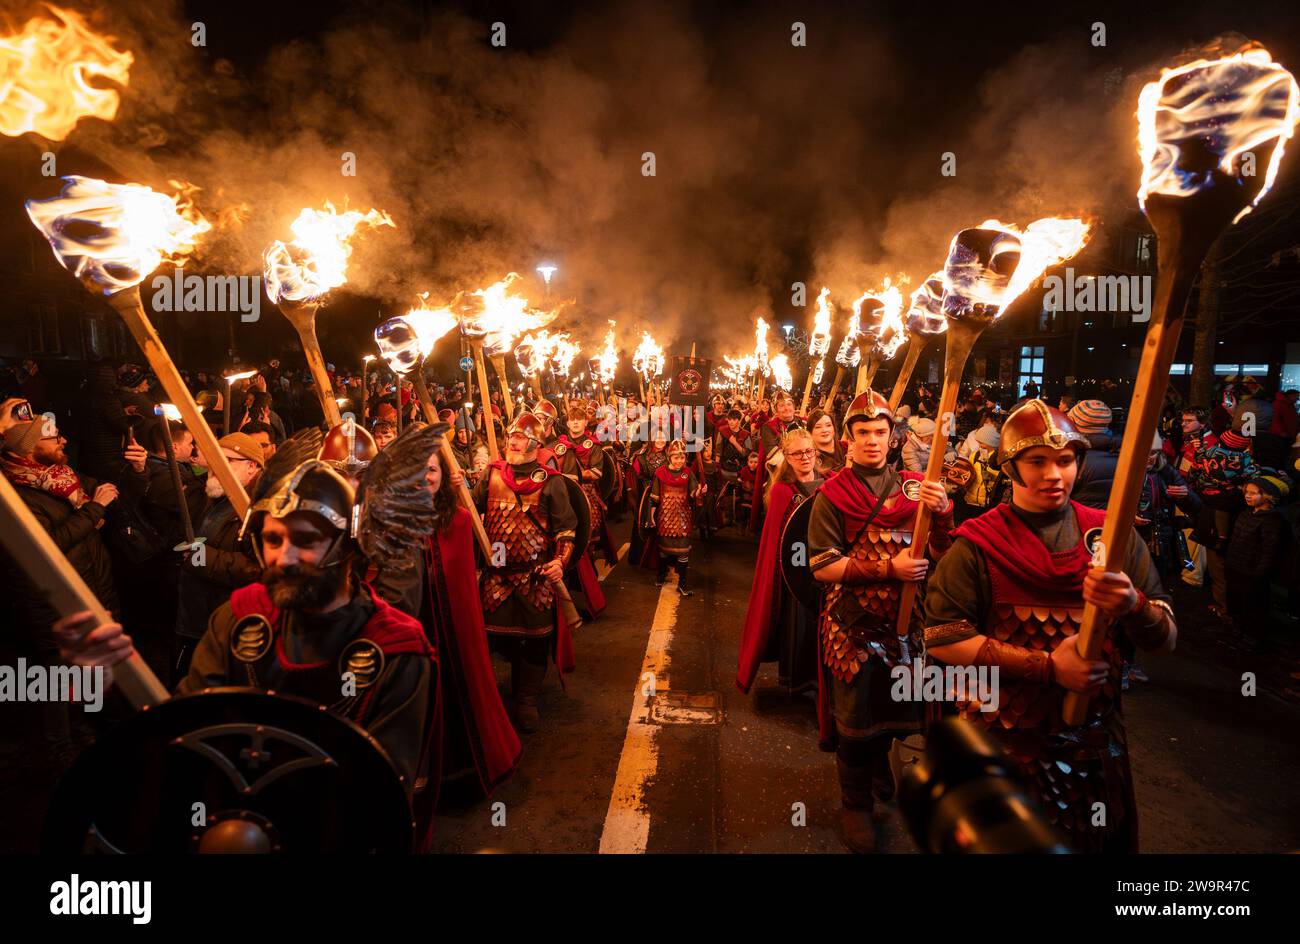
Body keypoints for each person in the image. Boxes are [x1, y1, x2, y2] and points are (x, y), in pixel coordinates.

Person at [57, 456, 442, 847]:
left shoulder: (396, 649)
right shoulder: (238, 619)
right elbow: (181, 739)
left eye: (306, 540)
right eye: (273, 540)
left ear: (349, 543)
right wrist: (108, 686)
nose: (283, 557)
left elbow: (375, 801)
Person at [924, 400, 1176, 853]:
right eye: (1037, 461)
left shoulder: (1112, 538)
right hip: (1001, 739)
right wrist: (1046, 667)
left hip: (1095, 744)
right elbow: (944, 639)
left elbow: (1165, 640)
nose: (1054, 474)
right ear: (1011, 466)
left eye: (1064, 461)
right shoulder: (977, 544)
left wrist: (1133, 605)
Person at [807, 388, 955, 853]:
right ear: (848, 440)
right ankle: (856, 806)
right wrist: (887, 569)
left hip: (908, 627)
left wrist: (944, 515)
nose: (872, 440)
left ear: (893, 437)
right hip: (852, 627)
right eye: (863, 432)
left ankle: (878, 768)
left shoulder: (917, 485)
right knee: (855, 720)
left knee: (902, 714)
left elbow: (942, 556)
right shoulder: (834, 493)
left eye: (880, 432)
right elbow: (822, 566)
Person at [472, 412, 580, 732]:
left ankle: (527, 699)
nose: (513, 442)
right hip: (496, 576)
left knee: (534, 642)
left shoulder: (551, 481)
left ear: (534, 442)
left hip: (535, 578)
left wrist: (560, 561)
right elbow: (469, 511)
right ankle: (490, 699)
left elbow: (566, 531)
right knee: (492, 639)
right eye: (511, 436)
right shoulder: (491, 475)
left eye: (520, 437)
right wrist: (454, 489)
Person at [737, 428, 824, 696]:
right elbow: (777, 539)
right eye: (797, 453)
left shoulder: (828, 483)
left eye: (809, 451)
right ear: (787, 455)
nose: (805, 458)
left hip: (822, 566)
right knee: (797, 625)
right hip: (794, 570)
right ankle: (797, 681)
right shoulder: (782, 492)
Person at [173, 433, 266, 680]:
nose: (216, 467)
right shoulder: (213, 497)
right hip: (197, 619)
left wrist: (200, 558)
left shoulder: (257, 510)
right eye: (215, 460)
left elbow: (258, 567)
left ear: (252, 466)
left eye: (227, 460)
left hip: (228, 625)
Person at [1224, 474, 1291, 651]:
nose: (1248, 495)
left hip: (1252, 573)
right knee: (1237, 604)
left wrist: (1259, 573)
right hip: (1236, 568)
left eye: (1254, 493)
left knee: (1253, 607)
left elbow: (1270, 551)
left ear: (1267, 497)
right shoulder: (1246, 514)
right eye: (1247, 492)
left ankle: (1251, 639)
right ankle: (1237, 633)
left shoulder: (1271, 521)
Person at [640, 440, 704, 596]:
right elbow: (654, 496)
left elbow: (693, 492)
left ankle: (682, 583)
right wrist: (652, 516)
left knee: (683, 551)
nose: (679, 461)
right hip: (665, 517)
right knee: (664, 550)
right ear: (670, 457)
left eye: (682, 458)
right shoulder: (660, 472)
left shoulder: (688, 473)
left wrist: (699, 492)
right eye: (676, 458)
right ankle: (661, 574)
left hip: (683, 516)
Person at [749, 395, 804, 532]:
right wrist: (799, 460)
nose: (786, 408)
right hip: (778, 475)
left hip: (802, 474)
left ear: (794, 406)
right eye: (781, 405)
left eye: (789, 404)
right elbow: (774, 455)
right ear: (776, 410)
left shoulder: (803, 424)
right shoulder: (768, 427)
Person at [1068, 399, 1117, 508]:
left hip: (1080, 521)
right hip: (1113, 522)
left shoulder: (1074, 458)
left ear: (1074, 423)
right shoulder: (1123, 454)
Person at [808, 408, 845, 477]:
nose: (824, 430)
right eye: (818, 427)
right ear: (810, 432)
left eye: (828, 425)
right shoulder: (810, 458)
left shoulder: (846, 447)